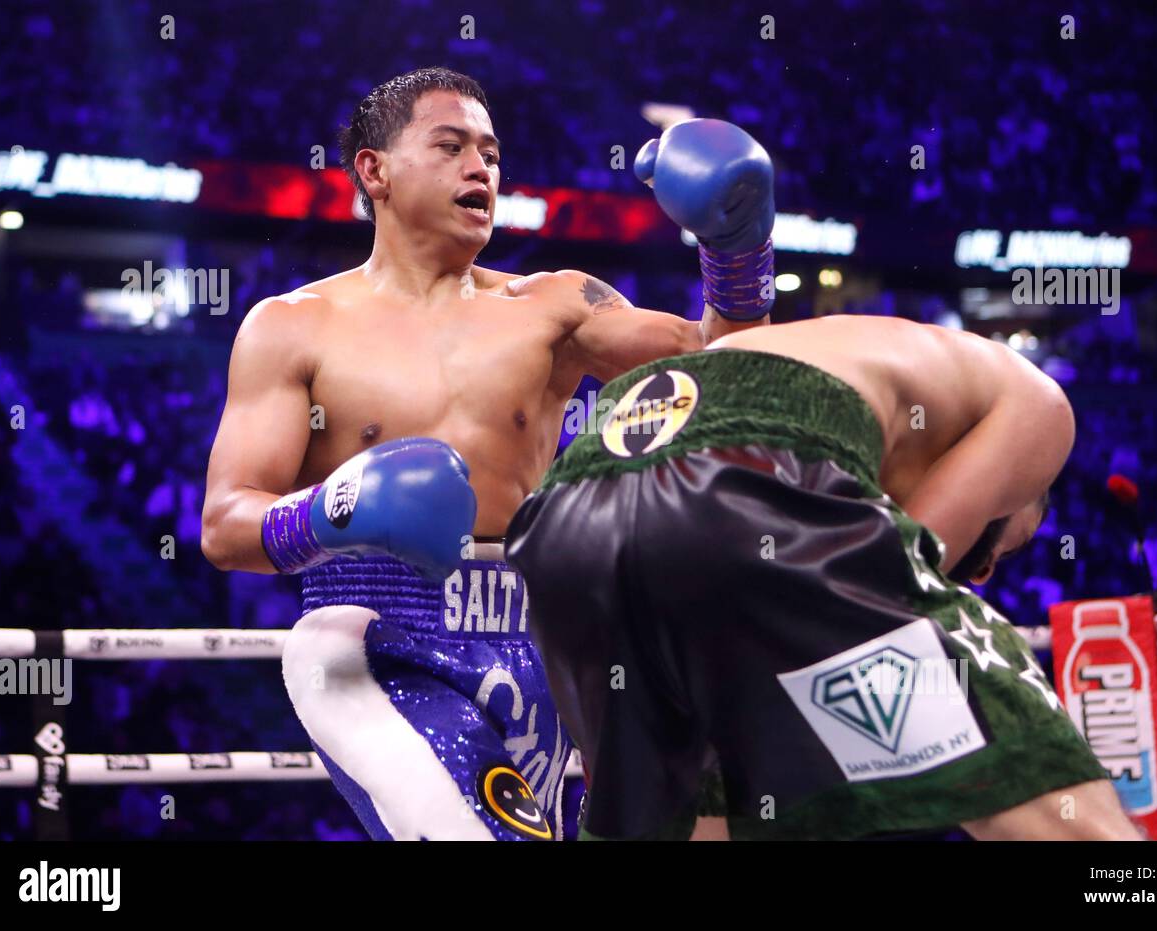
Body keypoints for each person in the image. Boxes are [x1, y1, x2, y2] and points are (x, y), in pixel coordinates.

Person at [201, 67, 773, 839]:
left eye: (492, 153)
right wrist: (339, 509)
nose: (482, 168)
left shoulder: (556, 305)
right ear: (374, 171)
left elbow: (728, 377)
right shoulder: (294, 326)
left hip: (542, 634)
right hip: (374, 638)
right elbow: (225, 524)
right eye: (451, 146)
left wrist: (736, 253)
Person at [506, 314, 1141, 840]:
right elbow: (909, 555)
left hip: (570, 509)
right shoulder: (1040, 406)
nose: (979, 576)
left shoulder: (875, 359)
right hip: (745, 464)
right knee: (1044, 784)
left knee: (694, 807)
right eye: (994, 552)